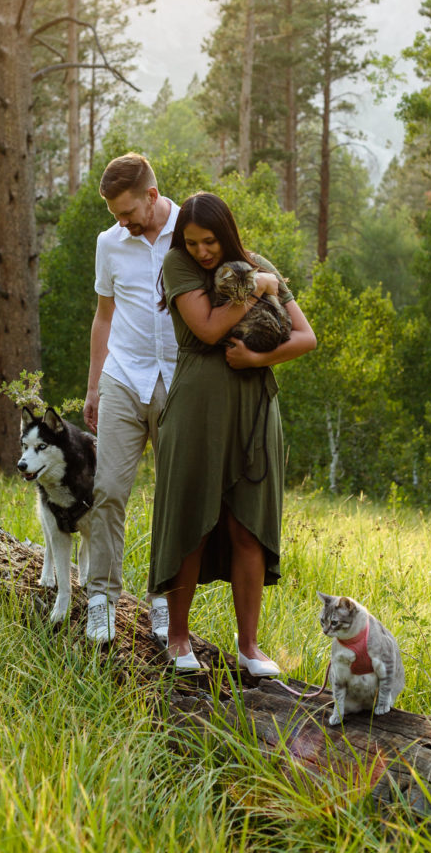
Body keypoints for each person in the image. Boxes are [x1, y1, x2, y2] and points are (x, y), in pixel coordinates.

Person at [148, 192, 316, 673]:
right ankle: (178, 638)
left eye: (211, 241)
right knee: (191, 520)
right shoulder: (179, 266)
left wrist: (258, 357)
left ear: (228, 234)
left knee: (248, 526)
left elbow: (306, 336)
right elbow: (205, 328)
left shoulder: (259, 264)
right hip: (197, 406)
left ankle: (249, 647)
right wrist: (255, 289)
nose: (202, 251)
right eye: (193, 241)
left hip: (255, 407)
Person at [83, 153, 179, 644]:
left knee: (172, 498)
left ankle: (162, 599)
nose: (122, 223)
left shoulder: (190, 230)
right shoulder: (109, 244)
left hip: (179, 382)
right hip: (123, 376)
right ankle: (101, 598)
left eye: (127, 213)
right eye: (115, 216)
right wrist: (94, 384)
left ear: (152, 197)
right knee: (109, 489)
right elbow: (104, 315)